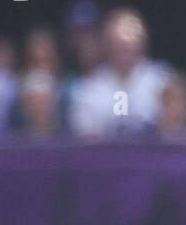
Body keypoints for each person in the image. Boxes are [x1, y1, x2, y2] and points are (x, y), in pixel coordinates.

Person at [68, 8, 170, 137]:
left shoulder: (162, 81)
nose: (126, 54)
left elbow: (174, 129)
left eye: (131, 47)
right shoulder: (88, 89)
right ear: (108, 45)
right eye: (120, 47)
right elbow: (83, 136)